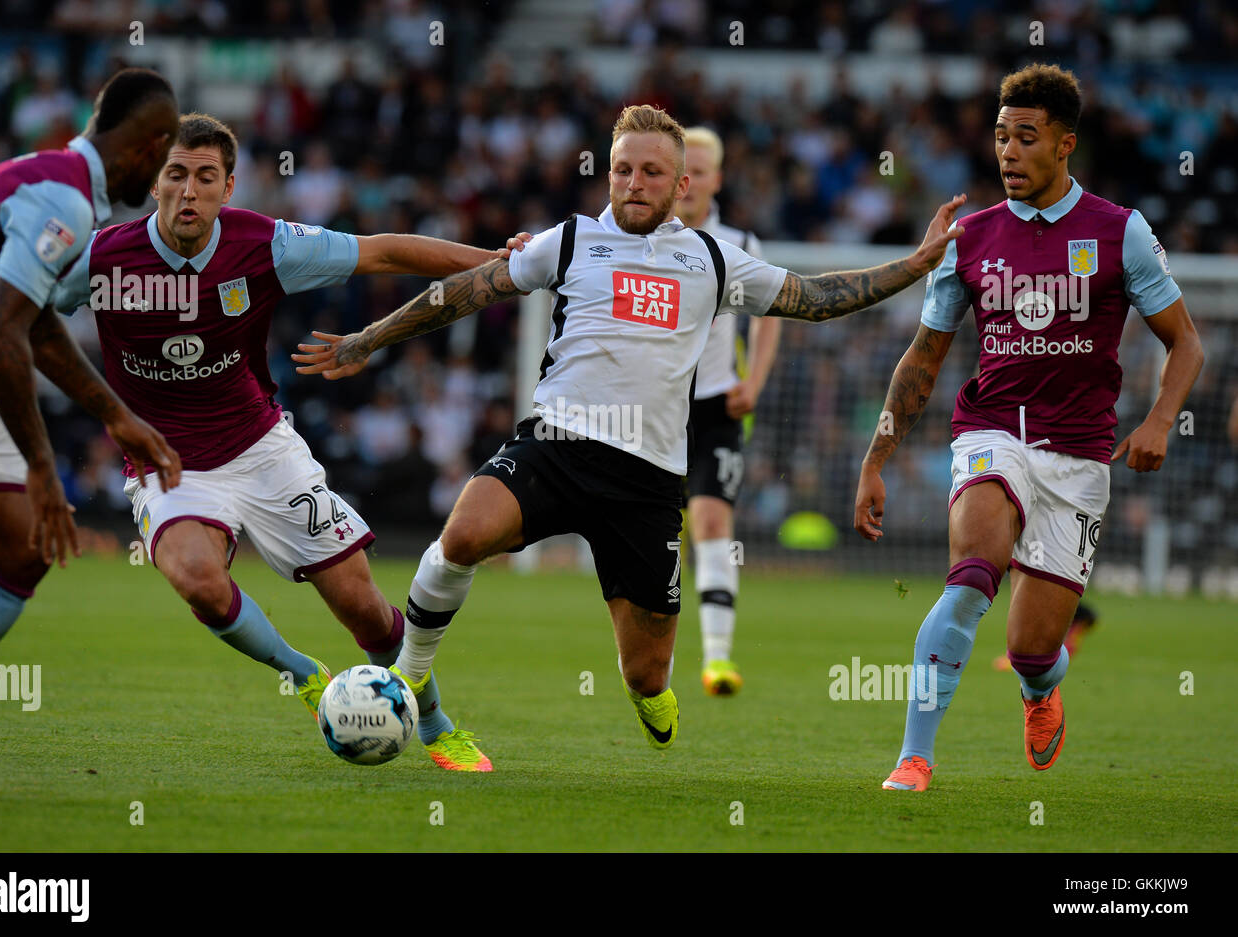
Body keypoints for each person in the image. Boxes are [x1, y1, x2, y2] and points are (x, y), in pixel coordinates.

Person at [295, 104, 964, 753]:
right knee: (464, 534)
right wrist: (370, 338)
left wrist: (912, 265)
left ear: (682, 185)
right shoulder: (568, 242)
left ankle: (648, 692)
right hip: (555, 445)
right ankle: (408, 677)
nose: (634, 183)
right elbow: (470, 288)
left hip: (646, 481)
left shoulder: (713, 259)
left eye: (650, 172)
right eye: (622, 170)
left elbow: (813, 299)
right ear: (608, 174)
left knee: (646, 671)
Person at [51, 113, 528, 773]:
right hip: (168, 465)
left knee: (362, 607)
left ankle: (437, 723)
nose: (189, 191)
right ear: (153, 182)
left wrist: (510, 265)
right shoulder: (102, 260)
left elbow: (383, 252)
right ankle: (303, 673)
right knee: (197, 579)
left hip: (262, 450)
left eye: (205, 178)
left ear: (228, 186)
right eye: (176, 175)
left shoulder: (266, 244)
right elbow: (14, 303)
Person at [854, 64, 1204, 791]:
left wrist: (1160, 421)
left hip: (1079, 455)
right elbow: (923, 358)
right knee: (971, 574)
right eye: (999, 137)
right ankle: (913, 757)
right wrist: (875, 458)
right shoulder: (969, 238)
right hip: (990, 433)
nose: (1007, 152)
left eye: (1025, 137)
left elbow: (1186, 343)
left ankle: (1042, 689)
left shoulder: (1121, 232)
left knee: (1032, 647)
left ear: (1065, 144)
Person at [0, 68, 183, 795]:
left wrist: (117, 417)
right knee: (28, 523)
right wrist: (43, 469)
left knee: (20, 549)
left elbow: (36, 325)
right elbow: (0, 338)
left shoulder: (62, 187)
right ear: (154, 146)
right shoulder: (63, 200)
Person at [674, 126, 781, 696]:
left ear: (717, 178)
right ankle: (651, 666)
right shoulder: (646, 239)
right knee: (661, 532)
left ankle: (717, 658)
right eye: (680, 169)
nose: (688, 181)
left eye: (700, 169)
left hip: (717, 404)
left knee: (713, 521)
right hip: (654, 409)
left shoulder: (741, 242)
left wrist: (754, 382)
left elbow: (768, 318)